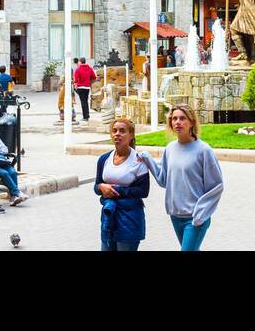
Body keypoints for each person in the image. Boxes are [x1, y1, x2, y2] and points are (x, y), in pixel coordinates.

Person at [138, 104, 224, 252]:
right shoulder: (170, 149)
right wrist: (148, 159)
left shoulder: (204, 150)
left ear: (191, 122)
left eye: (182, 118)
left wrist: (200, 214)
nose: (177, 122)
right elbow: (163, 179)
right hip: (175, 216)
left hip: (195, 218)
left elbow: (217, 186)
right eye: (174, 118)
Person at [95, 118, 149, 252]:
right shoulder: (104, 159)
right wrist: (101, 187)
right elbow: (97, 186)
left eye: (122, 131)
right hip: (109, 217)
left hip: (129, 218)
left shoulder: (138, 160)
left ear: (131, 135)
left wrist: (116, 190)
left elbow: (143, 191)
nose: (117, 134)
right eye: (114, 131)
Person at [73, 57, 96, 122]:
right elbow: (94, 77)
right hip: (87, 87)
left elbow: (76, 80)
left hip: (80, 87)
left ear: (80, 62)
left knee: (83, 102)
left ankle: (85, 117)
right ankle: (87, 116)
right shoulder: (90, 68)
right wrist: (89, 82)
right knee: (85, 101)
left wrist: (75, 85)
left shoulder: (78, 69)